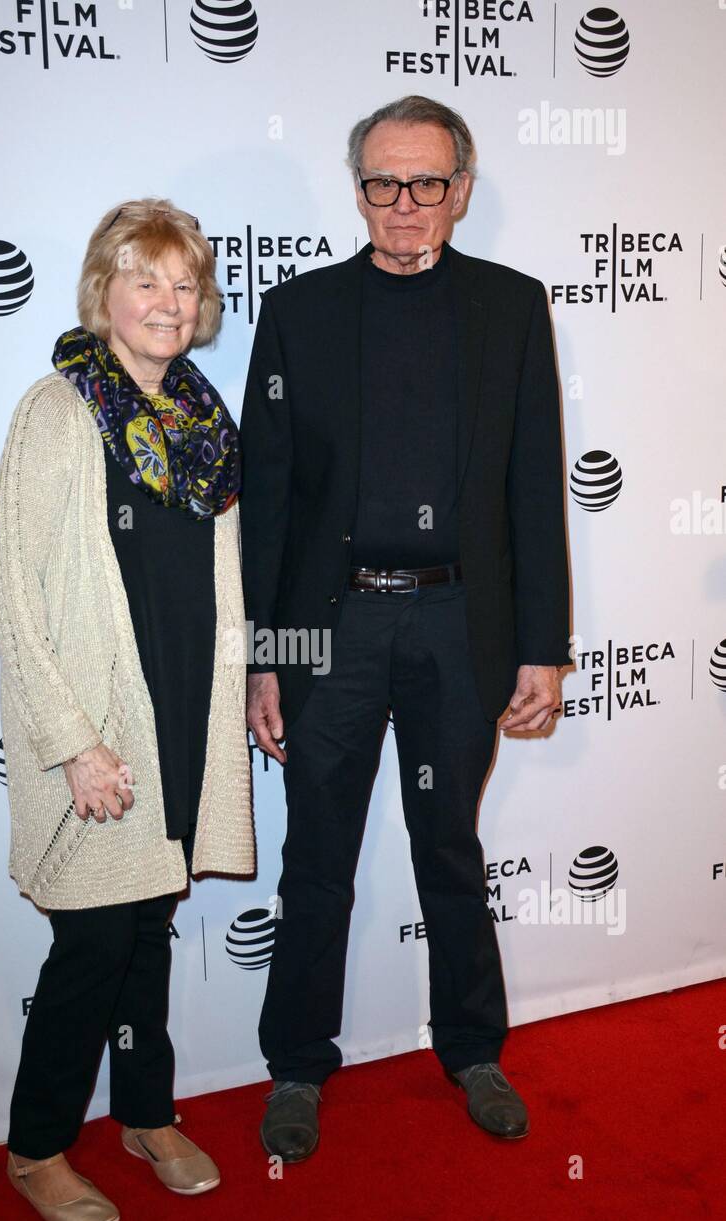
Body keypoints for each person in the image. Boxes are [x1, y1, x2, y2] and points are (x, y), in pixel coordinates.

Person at [240, 95, 571, 1162]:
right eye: (383, 182)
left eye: (427, 181)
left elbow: (533, 489)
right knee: (316, 861)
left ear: (461, 189)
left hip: (455, 625)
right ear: (357, 189)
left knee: (450, 851)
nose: (404, 204)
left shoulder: (512, 308)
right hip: (329, 633)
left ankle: (472, 1048)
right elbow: (272, 507)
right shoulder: (297, 312)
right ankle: (296, 1066)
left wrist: (542, 644)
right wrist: (266, 658)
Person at [0, 197, 254, 1221]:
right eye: (145, 279)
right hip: (102, 727)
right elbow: (12, 593)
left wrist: (238, 692)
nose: (167, 301)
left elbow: (219, 583)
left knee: (148, 932)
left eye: (184, 283)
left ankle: (145, 1115)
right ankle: (37, 1145)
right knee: (93, 946)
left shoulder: (200, 420)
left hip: (182, 711)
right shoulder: (58, 410)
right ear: (103, 294)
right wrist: (72, 743)